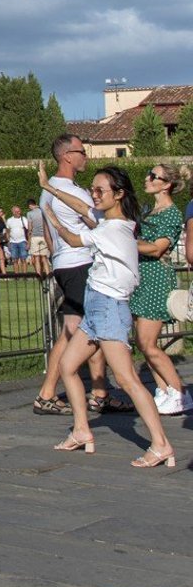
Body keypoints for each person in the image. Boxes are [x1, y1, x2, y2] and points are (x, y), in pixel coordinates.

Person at [38, 162, 174, 468]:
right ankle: (81, 430)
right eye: (93, 190)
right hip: (96, 308)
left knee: (127, 379)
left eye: (100, 191)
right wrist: (49, 188)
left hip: (109, 308)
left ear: (119, 194)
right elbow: (81, 207)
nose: (94, 195)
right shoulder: (113, 222)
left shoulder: (112, 230)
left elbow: (73, 239)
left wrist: (51, 217)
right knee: (68, 366)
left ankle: (161, 444)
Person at [32, 134, 112, 417]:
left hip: (65, 263)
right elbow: (100, 222)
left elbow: (49, 235)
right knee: (79, 329)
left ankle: (99, 393)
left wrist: (57, 259)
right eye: (81, 151)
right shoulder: (68, 191)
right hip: (79, 263)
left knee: (86, 327)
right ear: (67, 156)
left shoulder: (48, 191)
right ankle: (48, 394)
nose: (85, 155)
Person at [131, 163, 192, 416]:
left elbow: (157, 248)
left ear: (166, 184)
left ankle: (179, 392)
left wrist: (125, 240)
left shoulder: (171, 214)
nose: (147, 178)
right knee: (142, 342)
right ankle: (165, 390)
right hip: (142, 276)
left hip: (155, 278)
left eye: (153, 176)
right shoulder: (150, 210)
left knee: (148, 342)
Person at [25, 198, 50, 278]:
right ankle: (48, 275)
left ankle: (39, 275)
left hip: (35, 237)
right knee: (44, 258)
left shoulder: (29, 214)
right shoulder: (42, 211)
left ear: (30, 205)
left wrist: (28, 241)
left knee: (36, 258)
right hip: (44, 236)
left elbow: (30, 228)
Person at [5, 205, 29, 275]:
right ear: (13, 212)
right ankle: (16, 276)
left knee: (23, 259)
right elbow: (7, 232)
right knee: (14, 260)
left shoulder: (24, 219)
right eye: (17, 211)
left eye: (19, 211)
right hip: (13, 242)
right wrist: (8, 242)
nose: (19, 212)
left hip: (23, 241)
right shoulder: (9, 220)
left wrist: (28, 242)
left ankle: (24, 275)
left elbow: (28, 231)